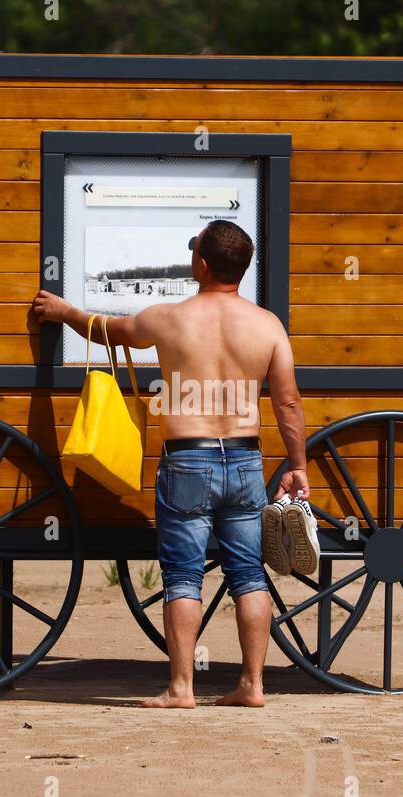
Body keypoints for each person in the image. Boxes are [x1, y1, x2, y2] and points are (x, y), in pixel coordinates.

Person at [30, 220, 309, 708]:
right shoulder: (268, 325)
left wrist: (63, 310)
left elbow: (107, 332)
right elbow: (287, 405)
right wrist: (298, 466)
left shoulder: (168, 318)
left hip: (188, 462)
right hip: (244, 459)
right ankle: (253, 685)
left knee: (183, 576)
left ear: (201, 263)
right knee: (249, 574)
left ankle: (182, 688)